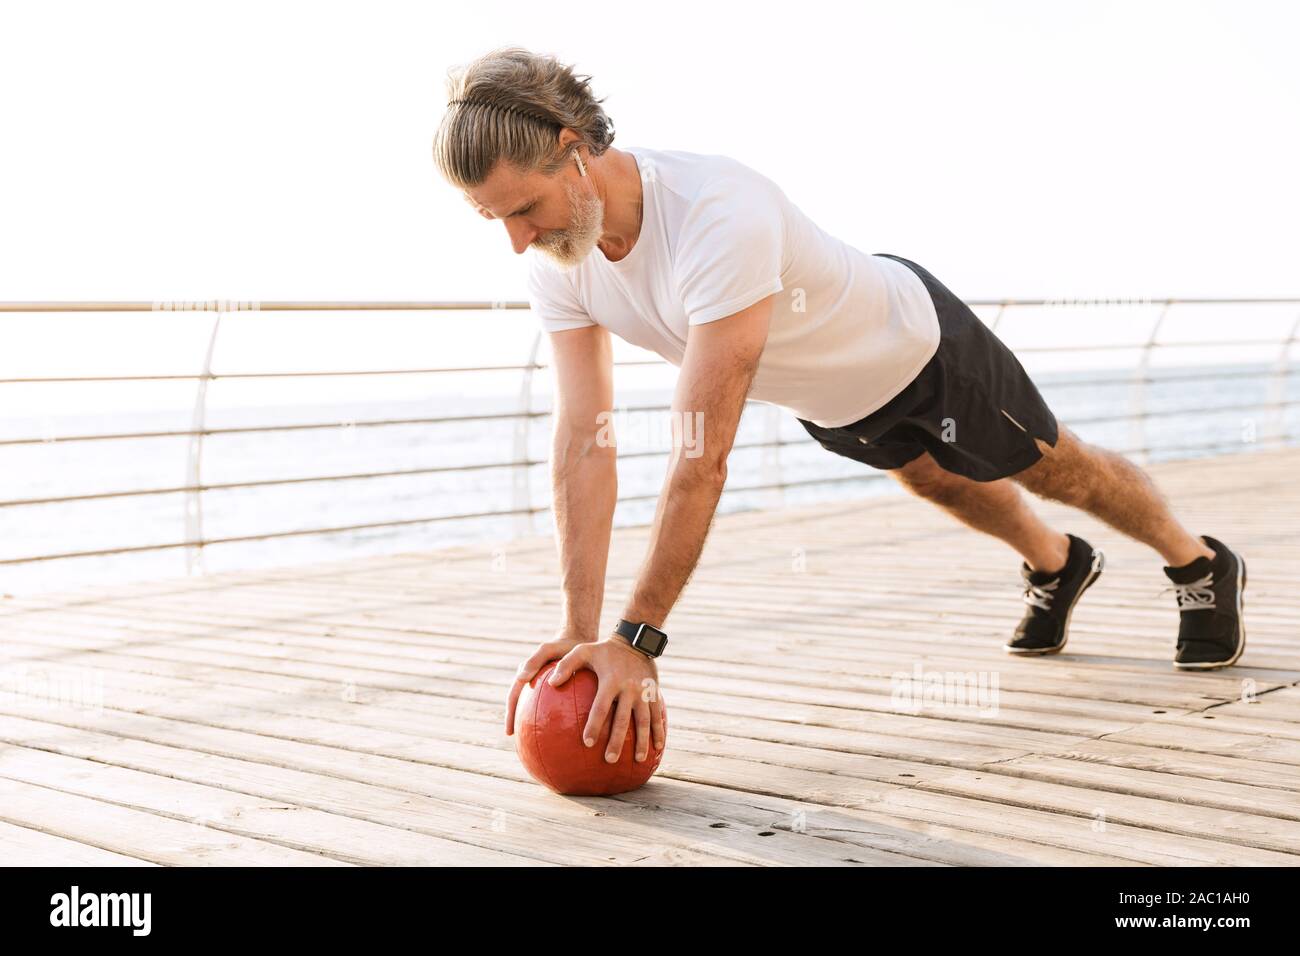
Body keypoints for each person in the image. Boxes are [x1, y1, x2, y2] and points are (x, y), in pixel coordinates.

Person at [432, 47, 1248, 766]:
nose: (514, 240)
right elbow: (584, 441)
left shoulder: (716, 209)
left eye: (522, 209)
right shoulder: (557, 263)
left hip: (917, 346)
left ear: (574, 152)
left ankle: (1198, 562)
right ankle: (1057, 563)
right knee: (936, 480)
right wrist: (580, 628)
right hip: (831, 394)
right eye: (492, 220)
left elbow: (701, 454)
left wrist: (638, 637)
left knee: (1055, 468)